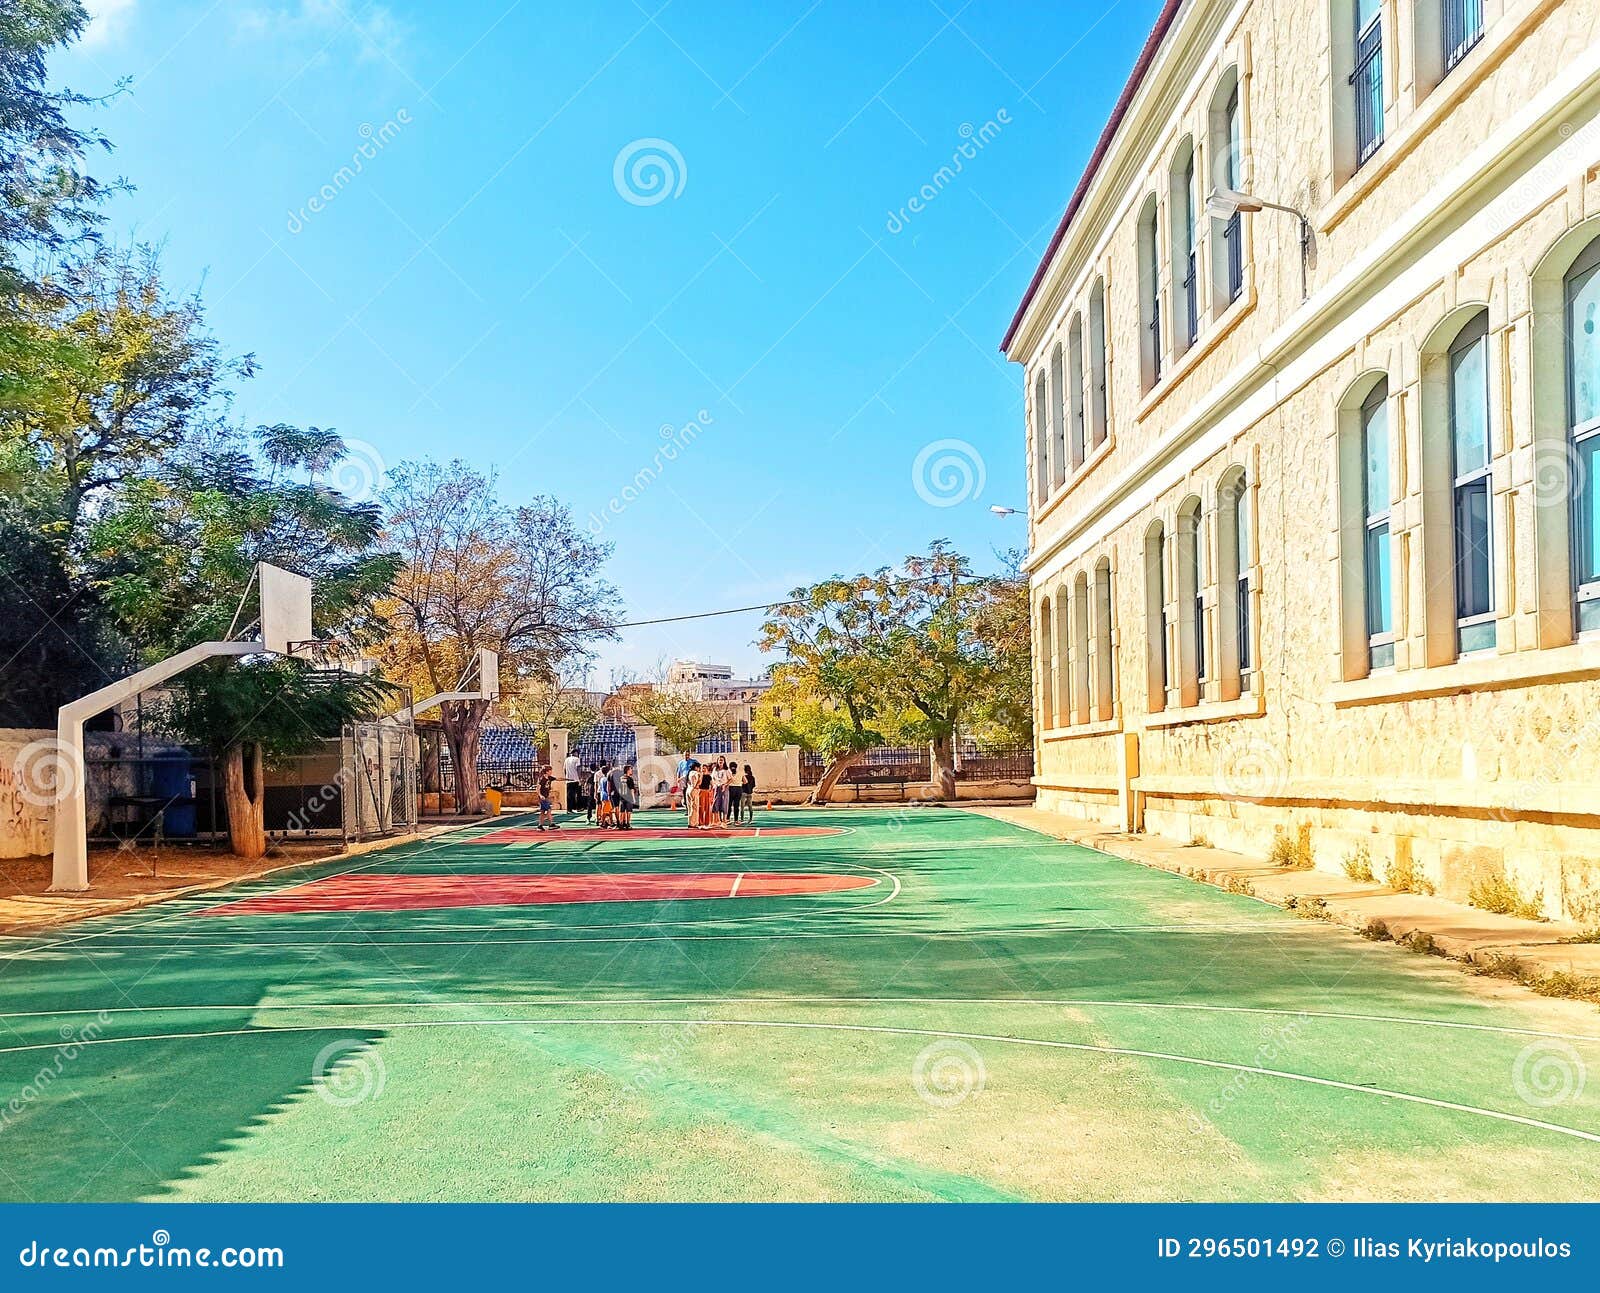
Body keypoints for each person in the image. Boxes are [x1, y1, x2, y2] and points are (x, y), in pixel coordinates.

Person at [711, 757, 730, 826]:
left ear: (724, 761)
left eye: (722, 760)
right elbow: (712, 778)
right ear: (717, 761)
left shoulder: (726, 770)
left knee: (724, 803)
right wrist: (714, 784)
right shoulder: (715, 770)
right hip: (717, 787)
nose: (720, 761)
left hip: (724, 788)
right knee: (716, 803)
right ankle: (717, 821)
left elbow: (730, 779)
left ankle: (724, 821)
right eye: (719, 760)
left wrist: (725, 785)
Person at [536, 765, 555, 831]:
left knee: (543, 811)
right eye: (550, 770)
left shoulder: (549, 778)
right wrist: (540, 795)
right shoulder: (542, 779)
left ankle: (540, 826)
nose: (551, 771)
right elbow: (538, 788)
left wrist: (567, 779)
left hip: (546, 796)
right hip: (543, 798)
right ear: (547, 771)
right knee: (549, 810)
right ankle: (551, 824)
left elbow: (558, 779)